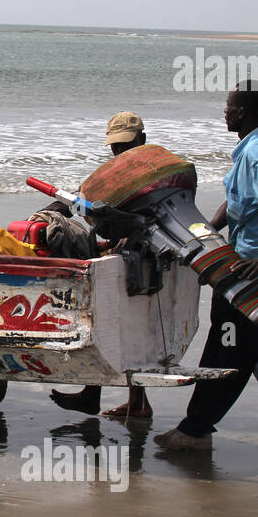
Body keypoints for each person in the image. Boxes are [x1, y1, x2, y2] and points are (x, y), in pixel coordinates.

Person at [155, 81, 258, 460]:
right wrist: (206, 234)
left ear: (242, 112)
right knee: (249, 350)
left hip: (252, 274)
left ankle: (201, 431)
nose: (224, 111)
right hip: (249, 267)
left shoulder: (257, 152)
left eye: (229, 106)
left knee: (245, 348)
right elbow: (239, 201)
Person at [49, 111, 154, 419]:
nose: (119, 153)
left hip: (142, 257)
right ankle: (127, 400)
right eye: (115, 147)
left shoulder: (153, 174)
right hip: (125, 255)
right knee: (118, 325)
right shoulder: (114, 174)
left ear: (142, 141)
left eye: (126, 145)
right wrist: (58, 206)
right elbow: (85, 202)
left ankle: (131, 401)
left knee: (122, 326)